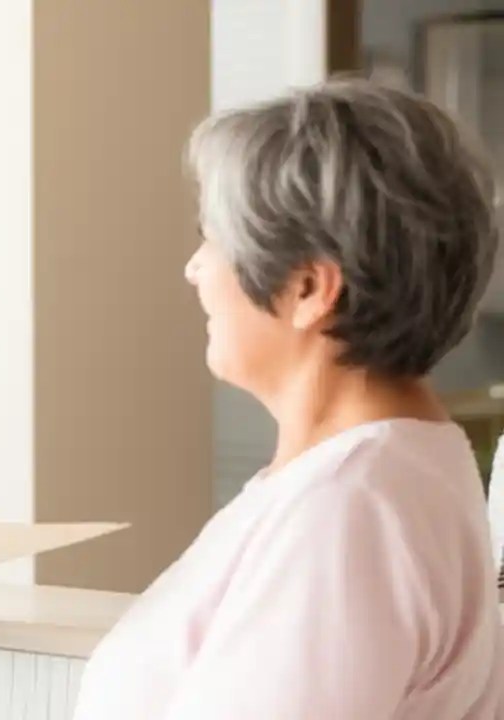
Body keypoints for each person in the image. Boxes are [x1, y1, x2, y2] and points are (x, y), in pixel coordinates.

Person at [74, 79, 504, 719]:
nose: (195, 268)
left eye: (212, 237)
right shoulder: (388, 472)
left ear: (308, 288)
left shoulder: (349, 509)